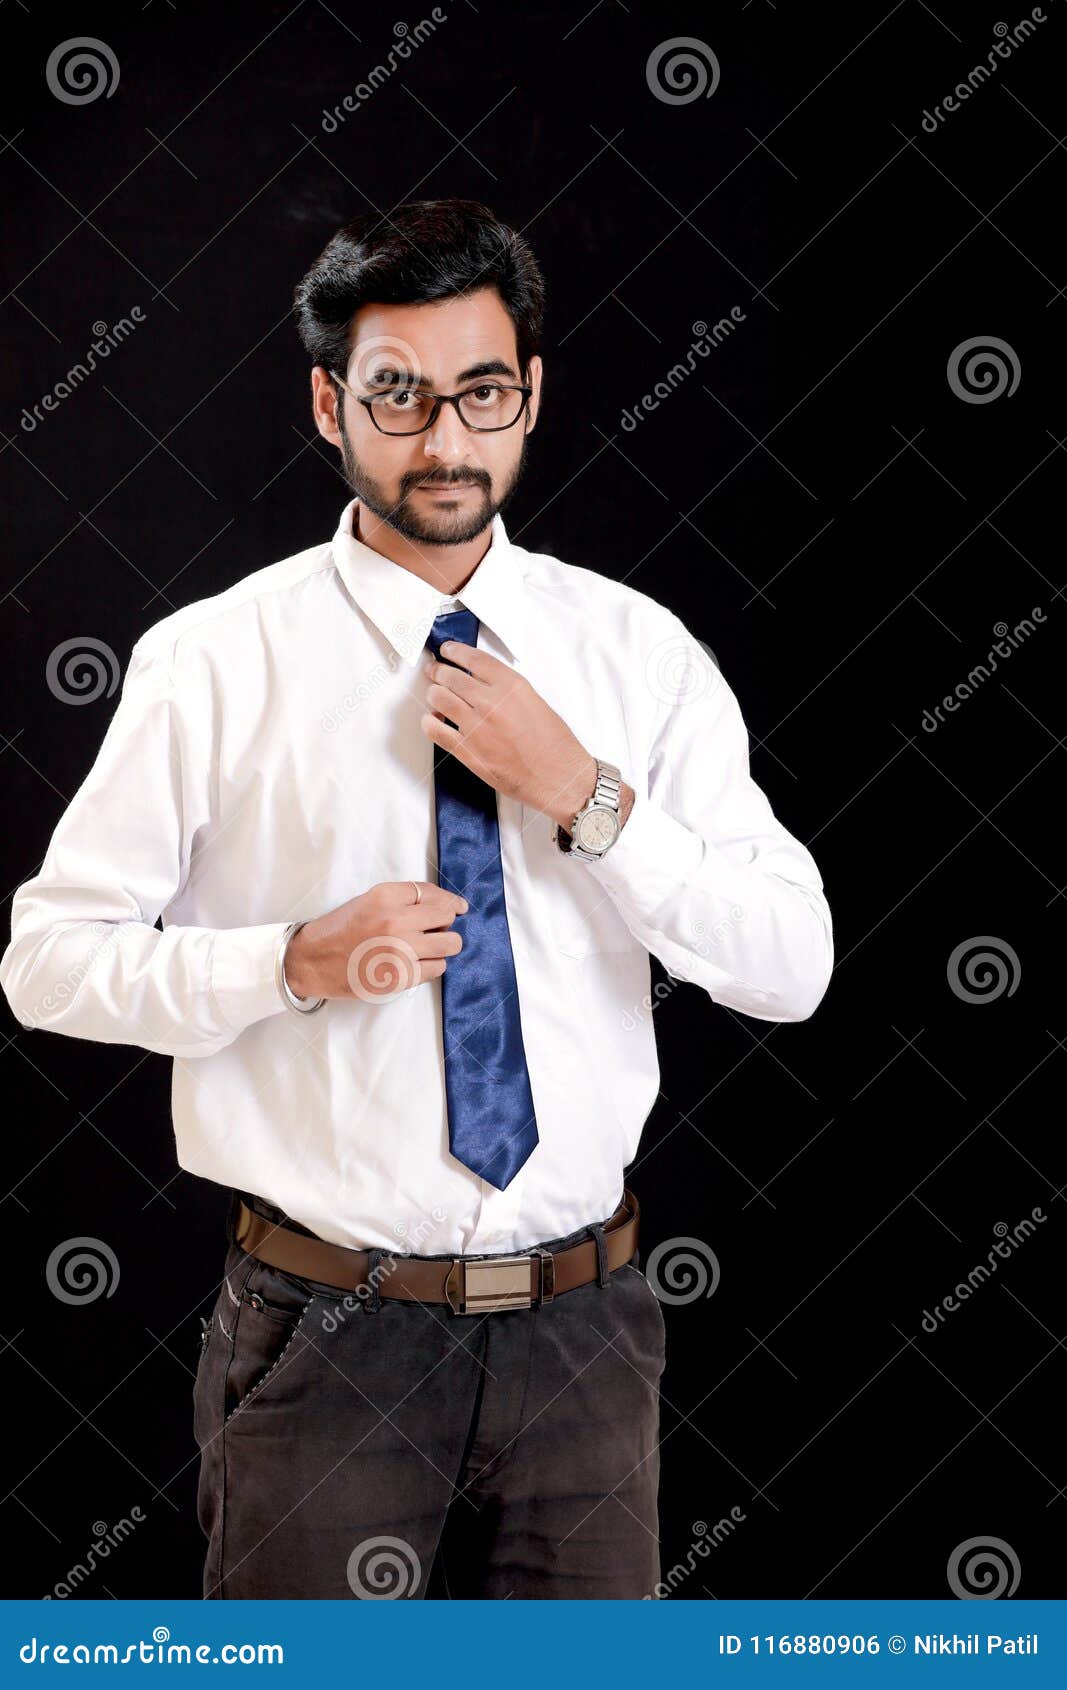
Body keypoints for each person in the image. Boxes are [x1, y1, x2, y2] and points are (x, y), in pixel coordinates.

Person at [0, 197, 833, 1600]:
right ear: (332, 405)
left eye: (483, 391)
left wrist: (586, 795)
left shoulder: (639, 654)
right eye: (399, 393)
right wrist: (288, 962)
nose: (446, 438)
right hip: (327, 1334)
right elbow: (46, 960)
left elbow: (790, 964)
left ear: (533, 395)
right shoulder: (215, 660)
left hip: (587, 1333)